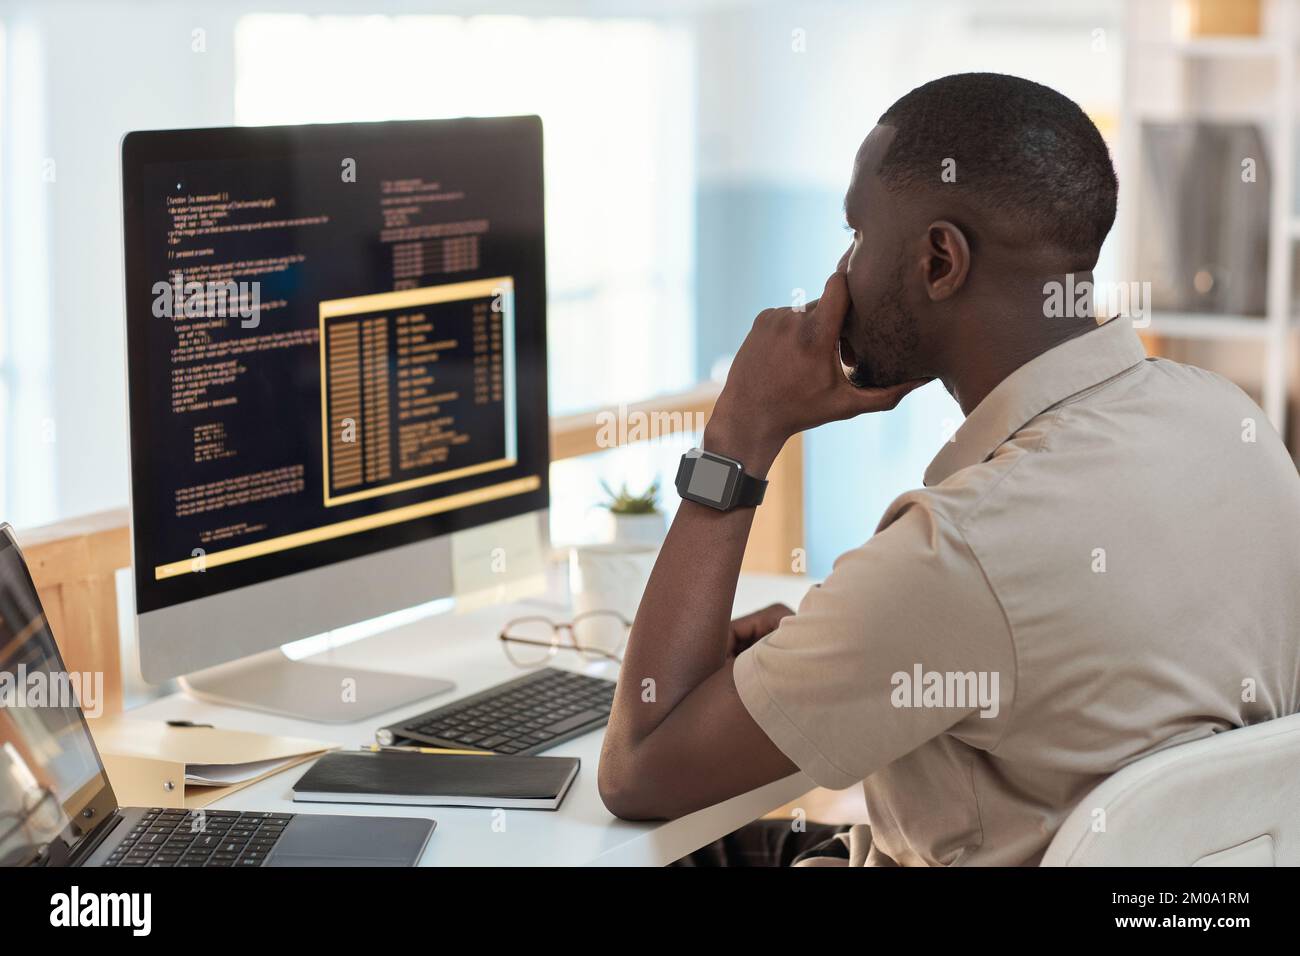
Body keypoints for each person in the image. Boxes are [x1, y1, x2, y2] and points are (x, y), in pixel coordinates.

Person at [596, 72, 1300, 866]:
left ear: (940, 261)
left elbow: (637, 770)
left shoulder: (963, 550)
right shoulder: (1233, 423)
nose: (839, 274)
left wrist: (738, 436)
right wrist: (850, 646)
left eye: (857, 235)